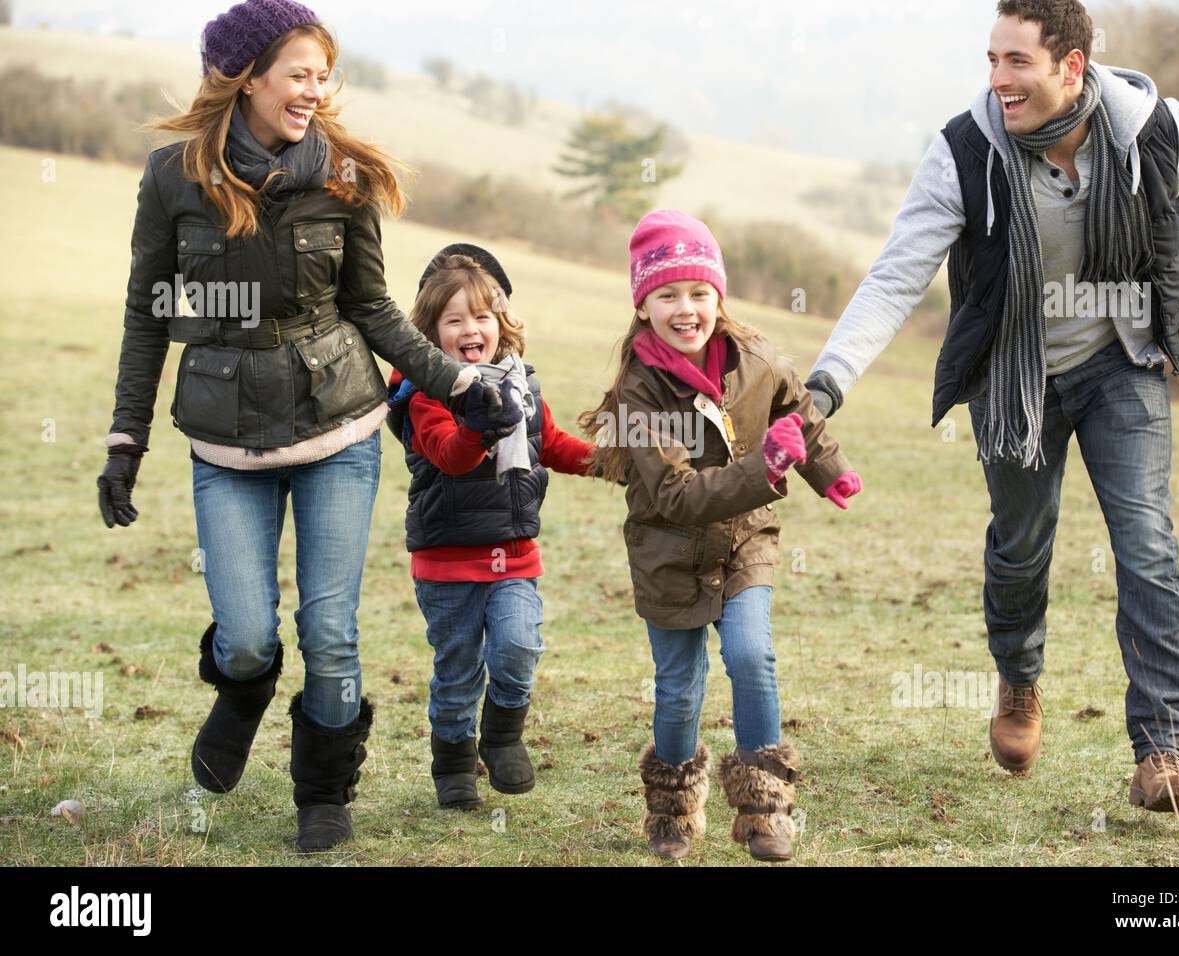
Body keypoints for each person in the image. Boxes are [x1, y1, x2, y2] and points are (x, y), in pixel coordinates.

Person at [96, 0, 519, 853]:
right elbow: (148, 315)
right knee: (249, 637)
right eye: (300, 74)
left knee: (330, 632)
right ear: (247, 78)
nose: (316, 92)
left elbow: (373, 310)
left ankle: (323, 789)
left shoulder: (344, 176)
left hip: (338, 430)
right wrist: (125, 439)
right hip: (223, 441)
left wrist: (461, 381)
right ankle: (244, 689)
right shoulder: (174, 176)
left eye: (324, 75)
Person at [804, 0, 1179, 815]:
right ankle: (1020, 678)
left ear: (1072, 68)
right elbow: (898, 275)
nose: (998, 79)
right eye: (992, 59)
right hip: (1015, 379)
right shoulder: (966, 153)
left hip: (1119, 362)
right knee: (1022, 544)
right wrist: (830, 380)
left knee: (1146, 542)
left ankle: (1162, 749)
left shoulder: (1148, 129)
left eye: (1017, 62)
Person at [581, 209, 862, 861]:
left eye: (699, 292)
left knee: (749, 655)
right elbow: (675, 497)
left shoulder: (755, 357)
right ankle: (675, 806)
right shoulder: (637, 396)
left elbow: (799, 408)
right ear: (642, 305)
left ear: (719, 296)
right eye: (668, 295)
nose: (687, 308)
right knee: (679, 689)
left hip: (744, 542)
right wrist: (763, 469)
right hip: (668, 556)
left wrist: (830, 471)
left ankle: (766, 806)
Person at [386, 244, 595, 810]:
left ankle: (502, 737)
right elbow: (450, 455)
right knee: (456, 672)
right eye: (453, 319)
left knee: (518, 647)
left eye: (481, 316)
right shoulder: (422, 393)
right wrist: (478, 424)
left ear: (501, 324)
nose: (470, 328)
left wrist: (611, 461)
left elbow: (550, 444)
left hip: (514, 555)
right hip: (447, 562)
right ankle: (453, 764)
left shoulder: (521, 384)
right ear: (429, 333)